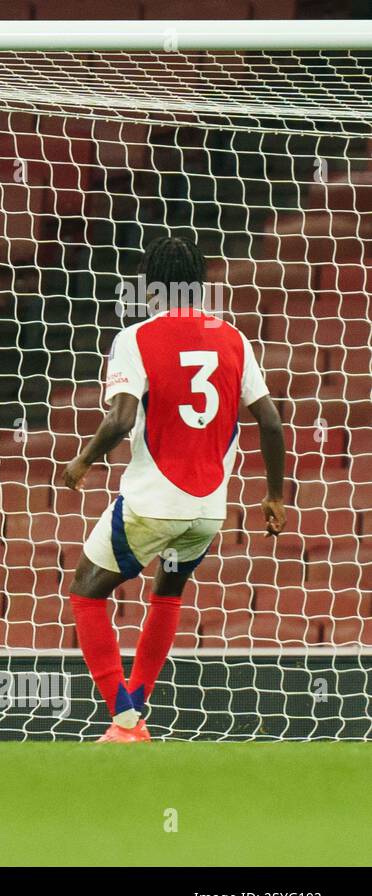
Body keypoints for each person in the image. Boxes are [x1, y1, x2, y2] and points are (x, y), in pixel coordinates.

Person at [62, 237, 287, 743]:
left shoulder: (135, 338)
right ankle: (134, 717)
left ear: (151, 287)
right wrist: (274, 496)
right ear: (200, 285)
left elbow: (119, 419)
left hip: (152, 500)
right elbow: (271, 424)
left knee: (85, 592)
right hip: (208, 511)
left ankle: (123, 719)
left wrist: (83, 460)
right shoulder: (233, 339)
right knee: (167, 593)